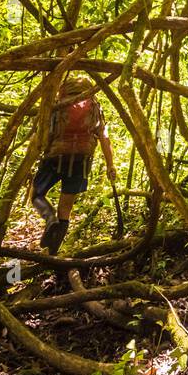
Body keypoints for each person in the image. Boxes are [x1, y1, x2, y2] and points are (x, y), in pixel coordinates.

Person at [31, 75, 117, 255]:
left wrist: (33, 157)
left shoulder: (57, 105)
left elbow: (43, 134)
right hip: (81, 160)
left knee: (36, 194)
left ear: (64, 89)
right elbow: (104, 138)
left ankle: (50, 219)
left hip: (55, 156)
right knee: (66, 207)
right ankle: (52, 252)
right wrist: (111, 165)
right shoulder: (95, 107)